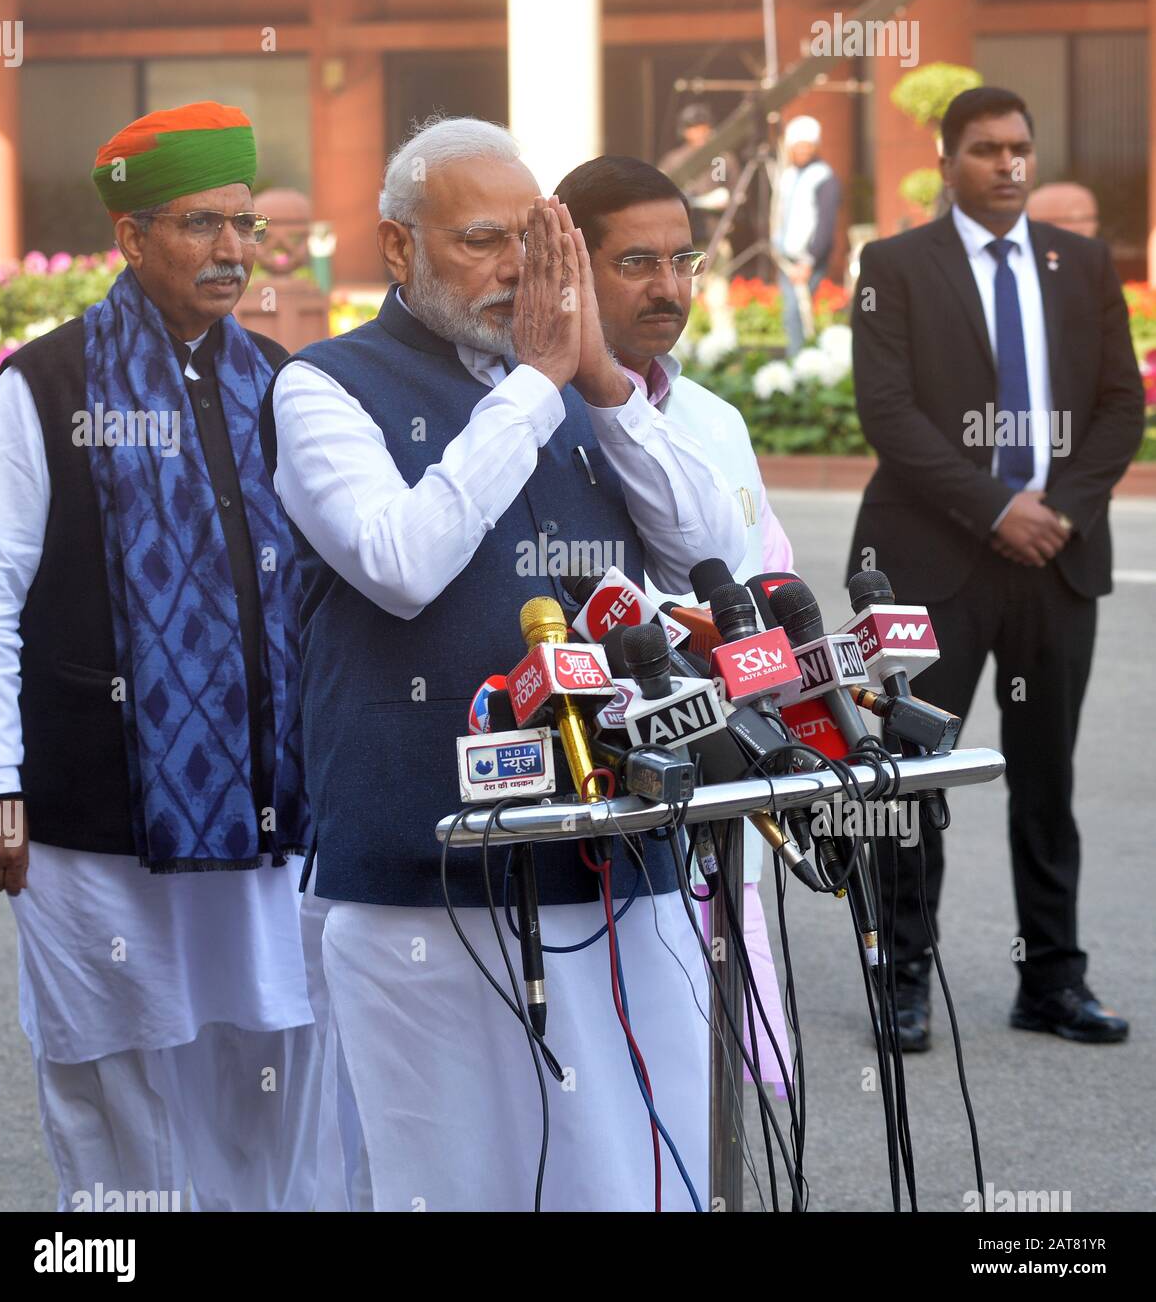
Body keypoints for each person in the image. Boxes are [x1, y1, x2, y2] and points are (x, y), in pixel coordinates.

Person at [264, 115, 747, 1212]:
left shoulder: (584, 380)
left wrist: (605, 387)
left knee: (633, 1161)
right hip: (427, 871)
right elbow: (400, 563)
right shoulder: (325, 386)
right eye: (480, 240)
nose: (513, 269)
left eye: (530, 241)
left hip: (614, 847)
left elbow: (701, 546)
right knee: (456, 1172)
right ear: (398, 248)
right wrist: (532, 387)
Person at [0, 101, 319, 1210]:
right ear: (129, 236)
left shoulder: (273, 377)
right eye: (198, 225)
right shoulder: (44, 385)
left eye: (242, 224)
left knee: (261, 1059)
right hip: (93, 808)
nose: (232, 251)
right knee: (111, 1068)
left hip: (266, 800)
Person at [846, 86, 1143, 1051]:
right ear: (948, 161)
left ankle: (1052, 981)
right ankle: (902, 976)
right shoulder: (893, 265)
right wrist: (995, 506)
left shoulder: (1082, 263)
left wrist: (1056, 510)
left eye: (1021, 148)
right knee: (911, 773)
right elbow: (889, 415)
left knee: (1046, 781)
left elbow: (1117, 409)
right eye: (987, 150)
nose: (1010, 165)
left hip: (1055, 561)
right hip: (932, 560)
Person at [554, 153, 795, 1094]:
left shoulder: (713, 417)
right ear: (570, 267)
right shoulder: (533, 411)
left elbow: (763, 576)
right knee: (617, 1075)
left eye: (684, 261)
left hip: (728, 772)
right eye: (636, 263)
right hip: (602, 789)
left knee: (719, 1083)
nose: (668, 288)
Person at [770, 115, 840, 357]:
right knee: (791, 315)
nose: (801, 151)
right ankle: (798, 363)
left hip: (807, 261)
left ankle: (804, 365)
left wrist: (809, 260)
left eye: (806, 146)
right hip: (786, 260)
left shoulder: (824, 176)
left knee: (799, 313)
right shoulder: (787, 175)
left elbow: (826, 223)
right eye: (796, 146)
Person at [658, 103, 740, 258]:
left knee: (717, 281)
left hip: (715, 235)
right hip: (681, 238)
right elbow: (658, 196)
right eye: (693, 128)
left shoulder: (720, 159)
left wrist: (724, 201)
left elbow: (736, 193)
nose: (698, 133)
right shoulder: (673, 161)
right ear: (684, 132)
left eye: (702, 127)